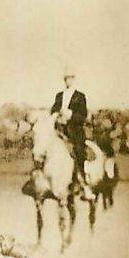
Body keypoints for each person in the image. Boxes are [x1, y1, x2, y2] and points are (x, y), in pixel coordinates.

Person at [50, 66, 94, 200]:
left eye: (70, 78)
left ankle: (85, 185)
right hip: (60, 131)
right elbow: (53, 110)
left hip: (75, 133)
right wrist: (57, 115)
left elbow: (83, 116)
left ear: (73, 79)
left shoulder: (80, 96)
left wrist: (70, 115)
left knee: (79, 152)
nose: (67, 81)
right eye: (66, 78)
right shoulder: (59, 95)